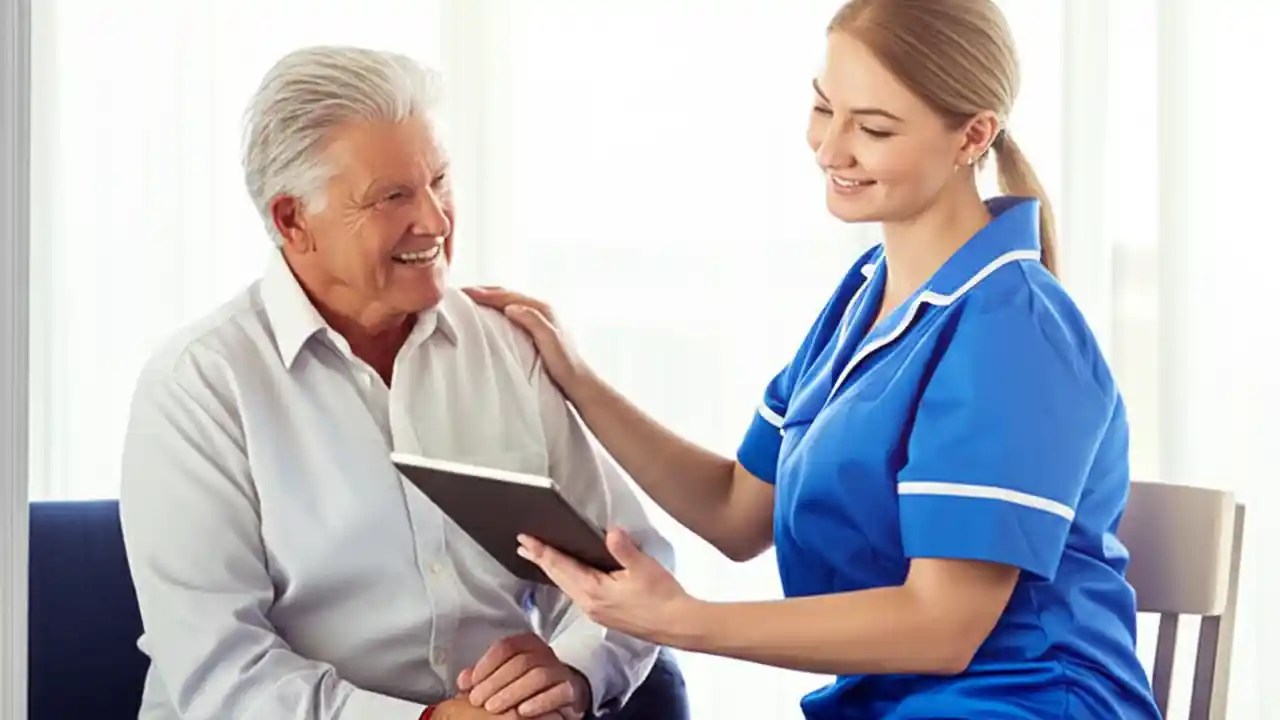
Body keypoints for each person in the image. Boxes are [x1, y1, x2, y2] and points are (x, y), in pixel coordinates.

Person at [465, 1, 1162, 718]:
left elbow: (943, 627)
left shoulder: (1014, 330)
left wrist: (682, 620)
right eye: (825, 108)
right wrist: (577, 381)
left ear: (973, 136)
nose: (830, 150)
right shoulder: (866, 298)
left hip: (1021, 702)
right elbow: (736, 511)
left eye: (873, 128)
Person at [119, 46, 675, 720]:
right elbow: (220, 670)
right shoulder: (199, 385)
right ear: (293, 220)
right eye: (393, 197)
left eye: (439, 181)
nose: (435, 221)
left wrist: (569, 673)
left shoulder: (507, 346)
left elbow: (629, 568)